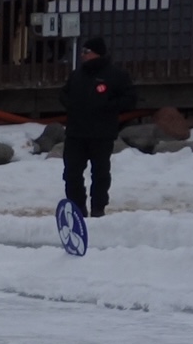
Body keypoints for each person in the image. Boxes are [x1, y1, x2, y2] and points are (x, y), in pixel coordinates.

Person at [57, 37, 136, 219]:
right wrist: (72, 105)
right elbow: (63, 93)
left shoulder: (116, 75)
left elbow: (130, 99)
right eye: (82, 51)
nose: (82, 55)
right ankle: (78, 209)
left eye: (87, 51)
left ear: (97, 53)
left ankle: (98, 208)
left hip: (102, 132)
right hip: (76, 132)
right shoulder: (77, 75)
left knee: (100, 173)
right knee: (71, 173)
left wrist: (107, 106)